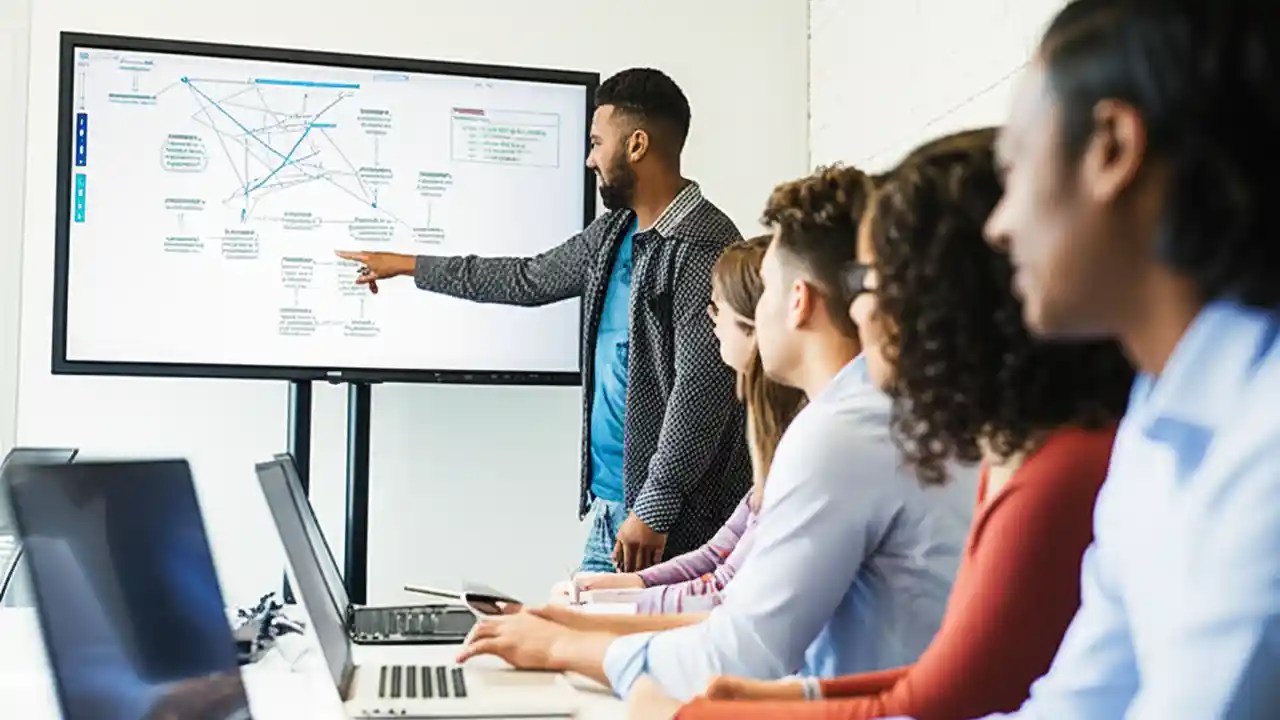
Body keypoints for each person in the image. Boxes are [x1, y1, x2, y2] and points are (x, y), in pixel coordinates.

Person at [626, 129, 1135, 719]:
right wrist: (779, 697)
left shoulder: (1054, 469)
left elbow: (950, 697)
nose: (862, 308)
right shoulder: (1022, 451)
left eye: (870, 281)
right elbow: (944, 686)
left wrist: (695, 710)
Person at [453, 166, 976, 700]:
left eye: (765, 287)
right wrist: (571, 628)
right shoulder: (877, 415)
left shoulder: (839, 436)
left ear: (797, 300)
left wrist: (560, 647)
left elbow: (741, 651)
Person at [973, 0, 1280, 716]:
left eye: (1013, 170)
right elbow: (1076, 705)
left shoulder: (1267, 443)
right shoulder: (1155, 412)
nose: (998, 226)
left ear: (1110, 146)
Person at [335, 68, 751, 573]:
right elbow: (527, 279)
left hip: (671, 526)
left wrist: (654, 509)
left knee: (618, 649)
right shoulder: (613, 234)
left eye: (598, 143)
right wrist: (409, 266)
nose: (590, 158)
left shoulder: (704, 248)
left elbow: (700, 394)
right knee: (578, 644)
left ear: (637, 145)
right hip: (614, 509)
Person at [562, 235, 806, 614]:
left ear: (754, 323)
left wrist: (616, 604)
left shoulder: (804, 444)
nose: (710, 322)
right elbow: (717, 557)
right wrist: (627, 587)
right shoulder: (774, 439)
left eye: (715, 307)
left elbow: (725, 593)